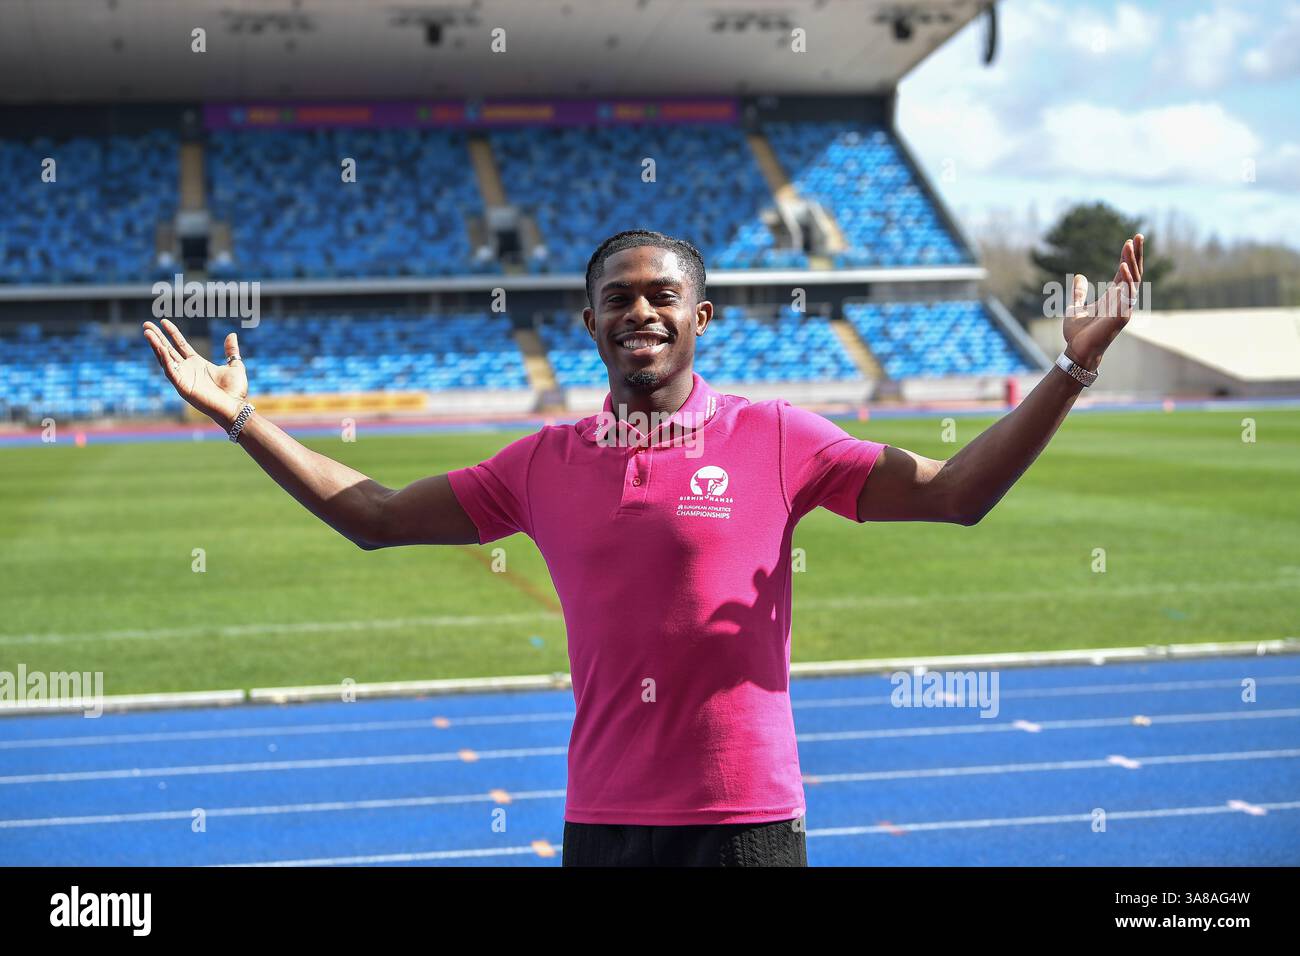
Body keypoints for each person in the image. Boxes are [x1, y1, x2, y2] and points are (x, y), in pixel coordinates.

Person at [143, 228, 1144, 866]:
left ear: (700, 315)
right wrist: (243, 421)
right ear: (588, 323)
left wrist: (1066, 367)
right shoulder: (542, 461)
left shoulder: (779, 436)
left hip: (746, 821)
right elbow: (374, 514)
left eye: (661, 293)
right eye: (617, 298)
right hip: (606, 823)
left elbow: (957, 494)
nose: (640, 312)